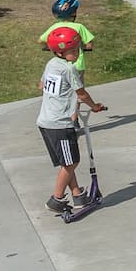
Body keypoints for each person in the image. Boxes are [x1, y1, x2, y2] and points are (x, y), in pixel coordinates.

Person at [38, 25, 107, 215]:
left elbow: (41, 85)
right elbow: (82, 94)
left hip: (45, 122)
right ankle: (56, 199)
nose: (77, 54)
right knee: (71, 163)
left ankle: (77, 195)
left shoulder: (51, 64)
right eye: (73, 51)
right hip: (60, 124)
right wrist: (95, 107)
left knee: (66, 162)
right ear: (60, 52)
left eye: (78, 49)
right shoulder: (69, 69)